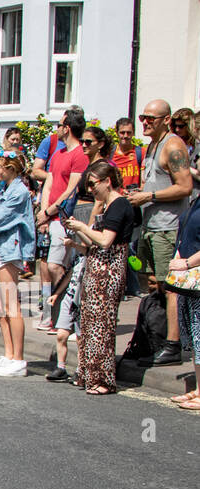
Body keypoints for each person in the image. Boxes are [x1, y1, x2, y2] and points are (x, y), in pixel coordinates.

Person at [128, 99, 194, 368]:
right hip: (151, 225)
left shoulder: (173, 145)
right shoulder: (151, 145)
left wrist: (149, 195)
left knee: (170, 286)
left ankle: (173, 345)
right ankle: (154, 338)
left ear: (166, 119)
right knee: (152, 282)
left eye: (151, 118)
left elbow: (185, 186)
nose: (145, 122)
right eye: (143, 117)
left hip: (168, 226)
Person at [62, 161, 132, 394]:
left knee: (102, 326)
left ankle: (103, 380)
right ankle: (88, 374)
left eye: (93, 184)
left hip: (109, 271)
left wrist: (82, 225)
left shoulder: (119, 205)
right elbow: (93, 244)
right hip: (95, 267)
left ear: (107, 181)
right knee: (89, 324)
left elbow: (105, 241)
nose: (90, 189)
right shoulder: (105, 206)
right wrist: (77, 232)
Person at [0, 150, 37, 377]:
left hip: (9, 249)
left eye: (1, 167)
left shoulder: (19, 191)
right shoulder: (5, 188)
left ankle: (19, 359)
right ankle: (8, 354)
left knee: (12, 305)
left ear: (12, 169)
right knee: (1, 307)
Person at [35, 110, 89, 331]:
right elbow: (49, 182)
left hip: (65, 218)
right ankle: (51, 316)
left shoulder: (79, 155)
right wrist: (44, 214)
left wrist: (50, 212)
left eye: (59, 124)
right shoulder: (58, 154)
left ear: (66, 128)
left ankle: (68, 317)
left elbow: (71, 189)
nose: (56, 128)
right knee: (46, 268)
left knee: (59, 267)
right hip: (50, 217)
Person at [164, 183, 200, 409]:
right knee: (196, 337)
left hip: (194, 271)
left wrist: (186, 262)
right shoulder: (197, 200)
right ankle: (198, 389)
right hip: (189, 279)